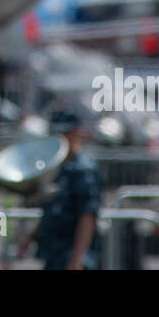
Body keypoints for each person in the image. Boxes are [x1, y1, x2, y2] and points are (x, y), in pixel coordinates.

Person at [22, 109, 101, 270]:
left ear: (76, 133)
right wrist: (29, 238)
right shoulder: (58, 166)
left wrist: (77, 259)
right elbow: (52, 210)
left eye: (64, 133)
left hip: (70, 255)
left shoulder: (82, 170)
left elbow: (87, 216)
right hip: (53, 253)